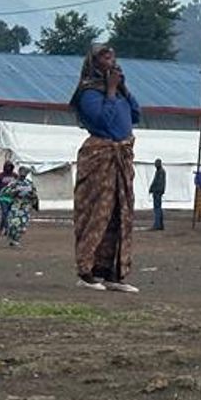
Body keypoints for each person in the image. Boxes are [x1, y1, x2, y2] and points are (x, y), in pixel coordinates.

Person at [71, 43, 141, 293]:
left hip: (122, 155)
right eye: (103, 54)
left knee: (119, 214)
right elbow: (103, 121)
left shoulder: (119, 92)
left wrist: (121, 87)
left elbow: (135, 114)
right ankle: (87, 271)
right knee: (96, 212)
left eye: (112, 52)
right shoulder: (88, 92)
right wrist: (110, 91)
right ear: (93, 61)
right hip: (101, 155)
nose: (110, 56)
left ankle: (112, 271)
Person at [0, 167, 40, 248]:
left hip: (25, 207)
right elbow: (5, 192)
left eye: (24, 174)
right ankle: (12, 239)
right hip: (16, 206)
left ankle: (16, 240)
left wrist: (31, 196)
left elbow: (35, 194)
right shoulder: (13, 183)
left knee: (22, 225)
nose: (23, 176)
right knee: (13, 223)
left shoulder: (29, 184)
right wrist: (15, 192)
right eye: (21, 174)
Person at [0, 162, 17, 235]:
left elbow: (18, 185)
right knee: (4, 213)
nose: (8, 168)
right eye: (7, 166)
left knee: (10, 215)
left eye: (9, 166)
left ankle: (4, 228)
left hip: (12, 197)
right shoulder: (1, 176)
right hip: (3, 197)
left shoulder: (15, 175)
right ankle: (5, 228)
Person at [148, 159, 167, 230]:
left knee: (157, 209)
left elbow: (159, 183)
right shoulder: (158, 171)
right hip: (157, 192)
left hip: (157, 192)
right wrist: (151, 188)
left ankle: (157, 224)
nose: (155, 165)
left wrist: (155, 190)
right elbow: (155, 181)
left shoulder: (161, 172)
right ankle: (160, 225)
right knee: (158, 208)